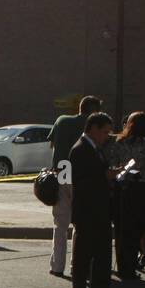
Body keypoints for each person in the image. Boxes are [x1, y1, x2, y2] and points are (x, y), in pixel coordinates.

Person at [48, 95, 101, 278]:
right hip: (82, 176)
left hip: (62, 172)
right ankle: (77, 265)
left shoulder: (61, 121)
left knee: (60, 223)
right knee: (80, 222)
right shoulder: (94, 126)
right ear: (94, 110)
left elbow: (52, 145)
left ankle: (57, 265)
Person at [70, 112, 117, 288]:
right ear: (93, 129)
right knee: (83, 257)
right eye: (104, 131)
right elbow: (81, 182)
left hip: (101, 210)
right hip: (87, 212)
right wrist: (105, 176)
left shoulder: (96, 148)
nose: (107, 136)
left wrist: (112, 175)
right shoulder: (80, 149)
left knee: (103, 255)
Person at [109, 111, 145, 280]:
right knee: (138, 227)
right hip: (142, 189)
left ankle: (123, 266)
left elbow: (113, 163)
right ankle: (133, 261)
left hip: (122, 188)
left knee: (122, 229)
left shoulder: (118, 142)